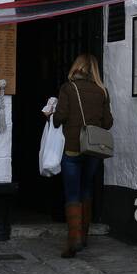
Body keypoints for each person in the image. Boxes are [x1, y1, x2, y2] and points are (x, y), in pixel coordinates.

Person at [51, 53, 113, 258]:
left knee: (72, 194)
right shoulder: (102, 91)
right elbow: (108, 123)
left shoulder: (68, 88)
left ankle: (73, 241)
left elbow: (60, 118)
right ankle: (84, 238)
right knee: (87, 189)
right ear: (93, 70)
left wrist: (51, 114)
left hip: (72, 148)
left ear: (76, 68)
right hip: (93, 149)